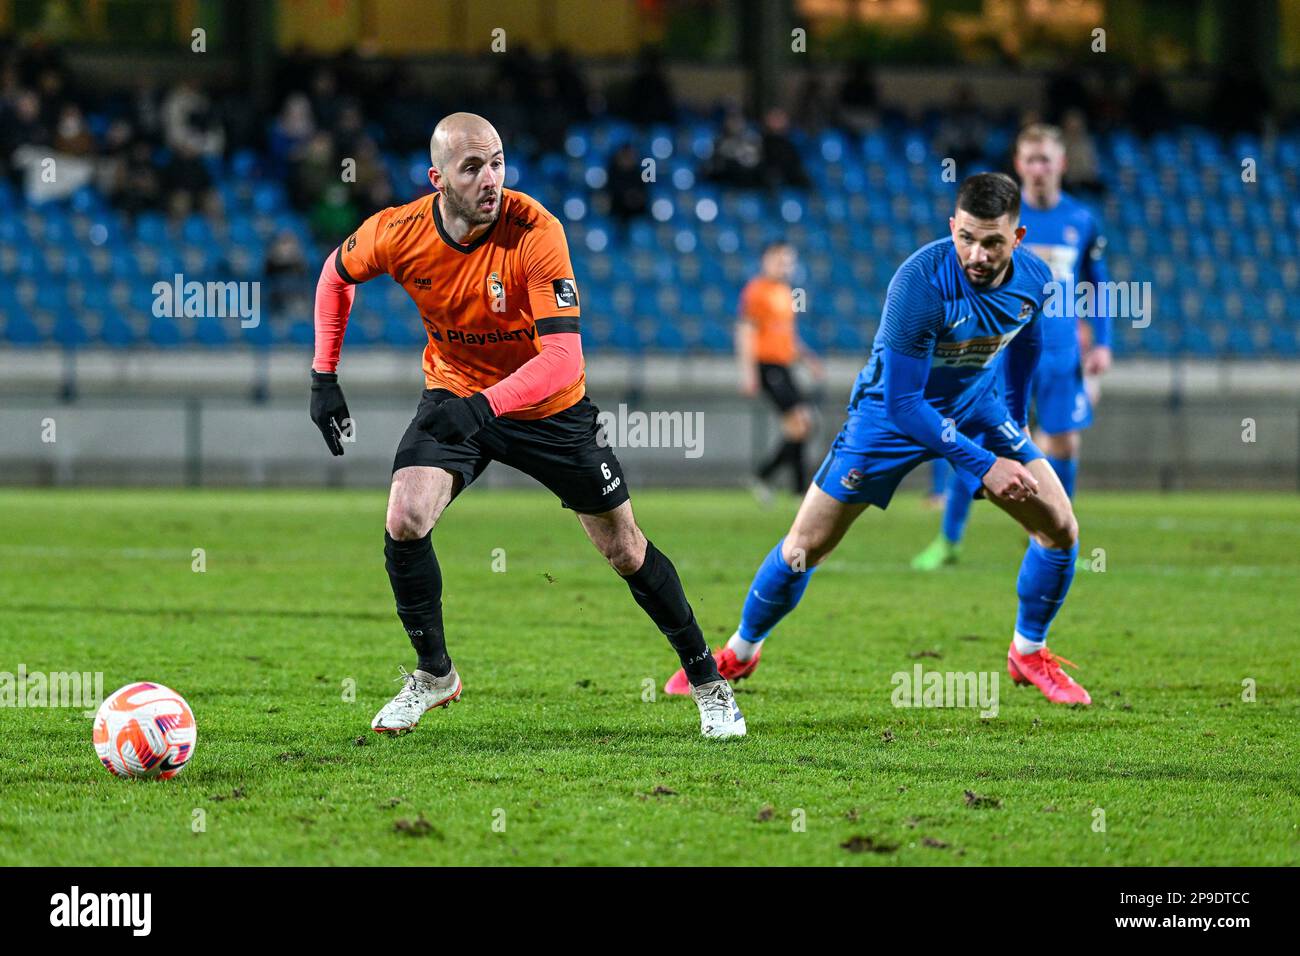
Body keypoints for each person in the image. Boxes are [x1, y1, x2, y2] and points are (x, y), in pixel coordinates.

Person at [309, 113, 745, 739]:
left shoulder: (535, 231)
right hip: (457, 390)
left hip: (551, 409)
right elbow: (334, 275)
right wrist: (324, 376)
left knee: (624, 549)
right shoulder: (398, 232)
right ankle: (435, 676)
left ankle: (708, 681)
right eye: (472, 168)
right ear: (438, 179)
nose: (491, 179)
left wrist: (486, 408)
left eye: (497, 162)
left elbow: (562, 357)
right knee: (405, 516)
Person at [666, 173, 1091, 706]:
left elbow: (1025, 340)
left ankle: (1029, 652)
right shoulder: (920, 282)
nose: (977, 253)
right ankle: (739, 652)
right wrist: (985, 465)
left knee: (1061, 528)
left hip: (979, 406)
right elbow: (904, 405)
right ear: (952, 226)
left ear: (1019, 238)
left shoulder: (1034, 279)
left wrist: (1017, 419)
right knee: (805, 547)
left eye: (993, 242)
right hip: (890, 417)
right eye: (967, 237)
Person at [913, 124, 1111, 571]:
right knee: (979, 442)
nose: (1039, 168)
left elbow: (1097, 284)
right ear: (1018, 164)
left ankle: (1053, 534)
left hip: (1059, 349)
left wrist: (1103, 342)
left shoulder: (1081, 220)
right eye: (1030, 159)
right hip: (998, 347)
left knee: (1062, 443)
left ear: (1061, 164)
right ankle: (949, 540)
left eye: (1046, 159)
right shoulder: (1000, 216)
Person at [736, 240, 823, 502]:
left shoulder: (788, 292)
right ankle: (786, 484)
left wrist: (807, 359)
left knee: (800, 426)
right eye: (779, 259)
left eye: (788, 260)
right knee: (802, 421)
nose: (785, 265)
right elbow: (745, 331)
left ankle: (778, 482)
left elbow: (787, 335)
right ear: (766, 260)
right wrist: (748, 372)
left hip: (784, 366)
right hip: (767, 365)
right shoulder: (756, 290)